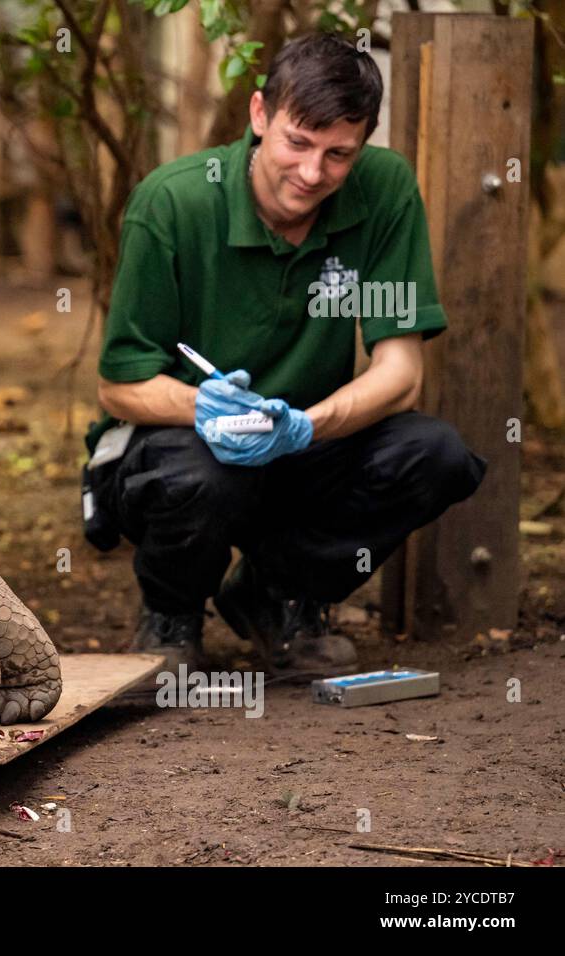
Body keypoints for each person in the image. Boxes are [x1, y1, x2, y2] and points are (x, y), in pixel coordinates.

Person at [85, 32, 487, 677]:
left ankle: (274, 596)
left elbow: (401, 374)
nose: (311, 173)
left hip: (306, 440)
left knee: (433, 454)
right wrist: (209, 408)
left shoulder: (384, 189)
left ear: (363, 146)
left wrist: (306, 426)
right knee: (200, 475)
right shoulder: (173, 200)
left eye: (338, 155)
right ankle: (171, 616)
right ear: (259, 116)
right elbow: (118, 387)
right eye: (297, 143)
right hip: (181, 446)